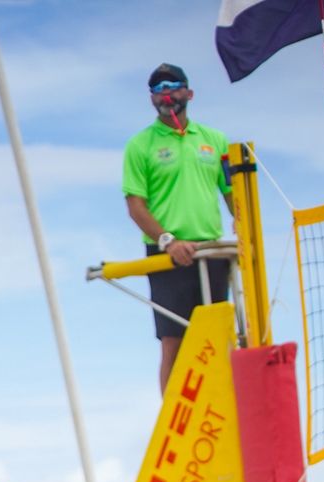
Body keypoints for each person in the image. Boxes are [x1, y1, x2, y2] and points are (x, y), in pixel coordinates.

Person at [122, 62, 234, 393]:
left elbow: (232, 194)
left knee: (216, 337)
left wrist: (244, 228)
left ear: (189, 92)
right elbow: (135, 206)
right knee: (172, 340)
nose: (166, 94)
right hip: (166, 254)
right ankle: (172, 419)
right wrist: (169, 241)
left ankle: (218, 408)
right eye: (157, 89)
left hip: (210, 249)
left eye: (172, 86)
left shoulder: (214, 140)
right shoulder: (140, 145)